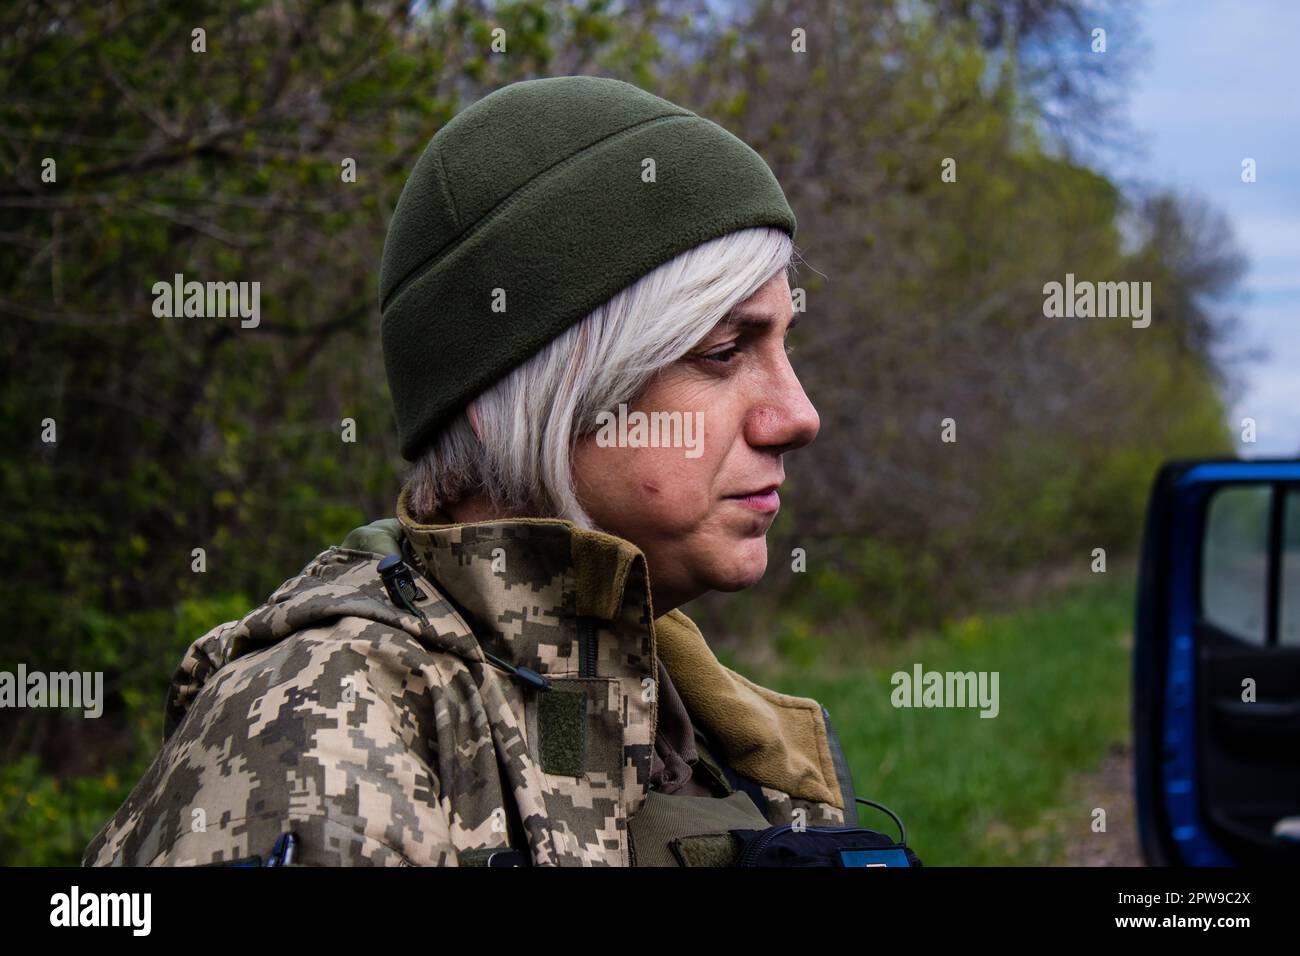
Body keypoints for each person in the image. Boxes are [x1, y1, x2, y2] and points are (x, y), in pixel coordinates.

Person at [83, 75, 861, 867]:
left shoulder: (730, 738)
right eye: (724, 353)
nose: (797, 416)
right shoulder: (324, 735)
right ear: (529, 392)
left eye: (783, 345)